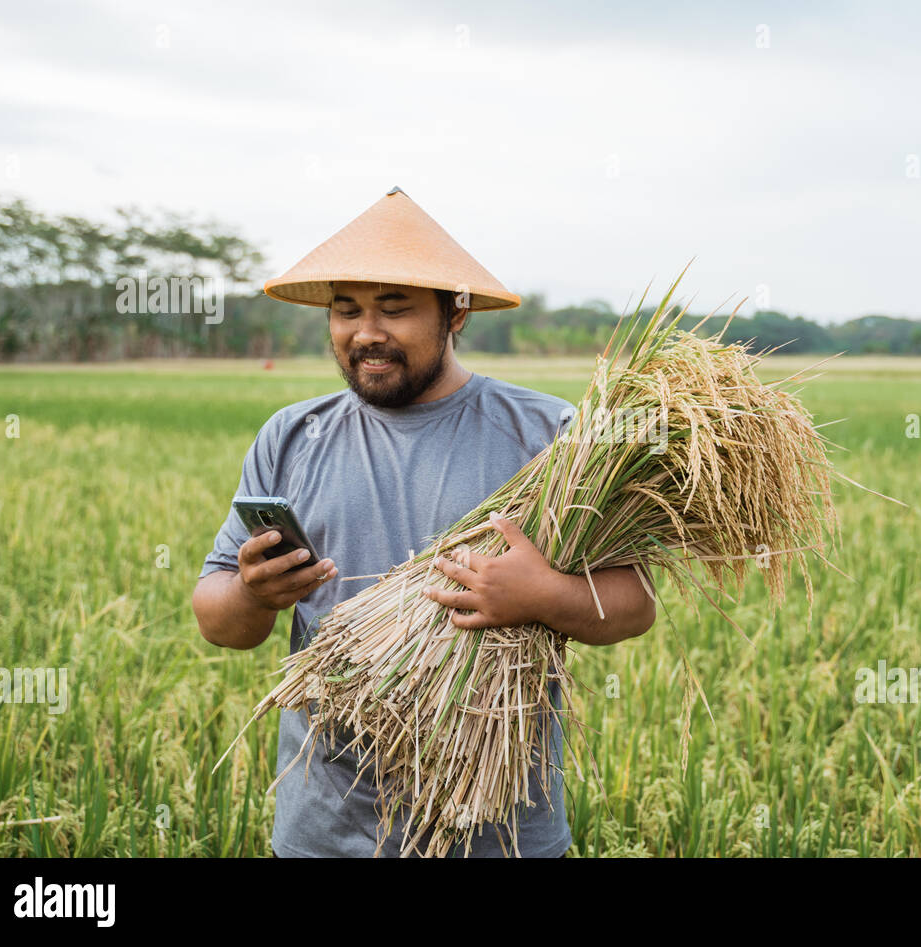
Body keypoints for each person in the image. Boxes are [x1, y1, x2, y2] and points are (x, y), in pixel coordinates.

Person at [192, 188, 655, 857]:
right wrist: (252, 593)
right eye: (346, 309)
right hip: (323, 833)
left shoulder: (548, 436)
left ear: (456, 311)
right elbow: (217, 619)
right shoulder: (291, 436)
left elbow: (634, 605)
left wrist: (541, 596)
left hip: (499, 831)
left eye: (395, 307)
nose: (366, 331)